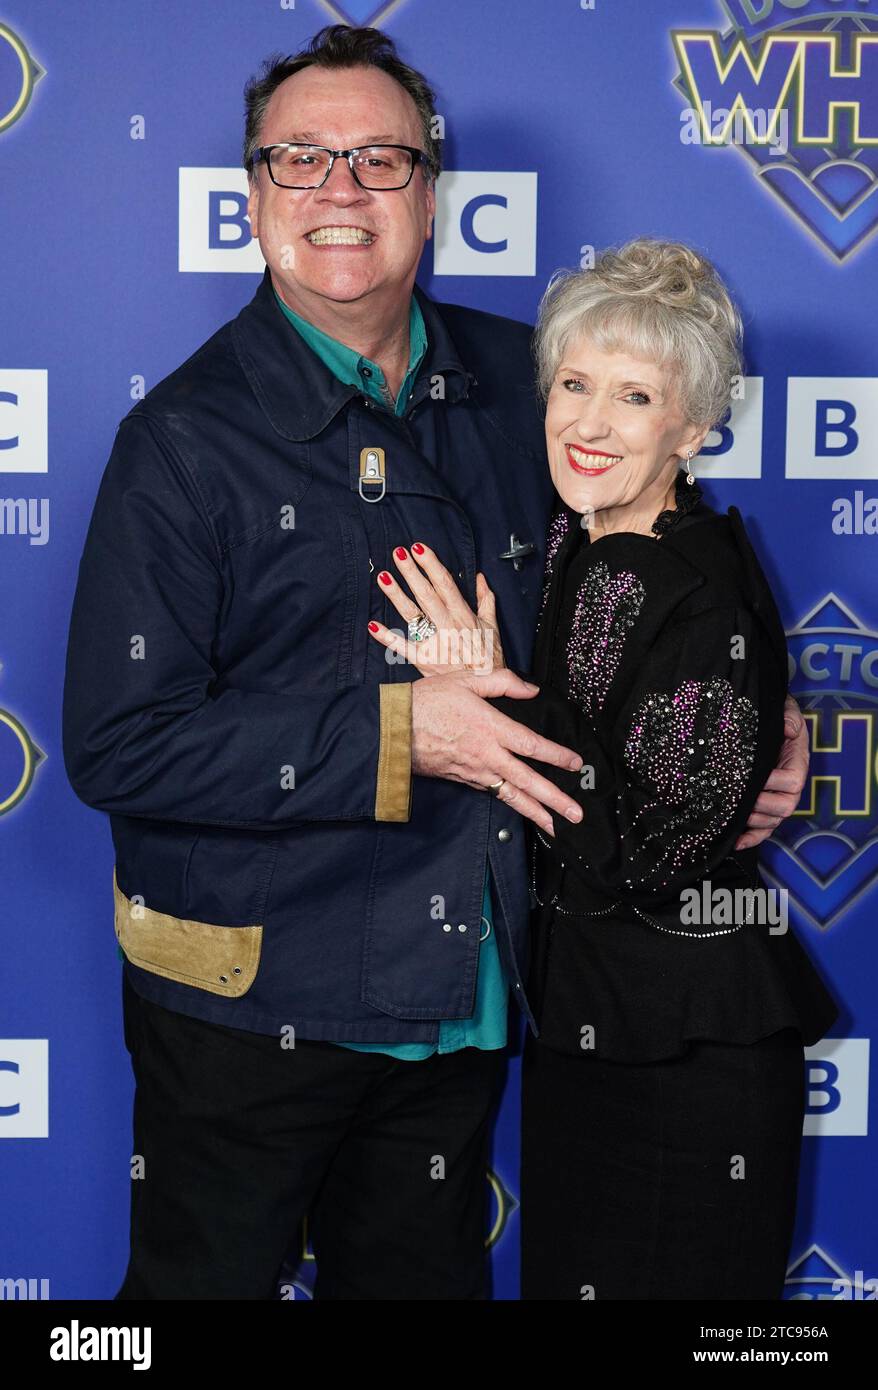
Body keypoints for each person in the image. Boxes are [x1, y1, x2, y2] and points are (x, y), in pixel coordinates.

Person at [62, 23, 809, 1301]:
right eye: (299, 160)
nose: (338, 190)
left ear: (429, 195)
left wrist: (742, 707)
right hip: (249, 1010)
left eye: (378, 159)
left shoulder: (524, 392)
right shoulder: (180, 442)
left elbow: (640, 565)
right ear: (251, 200)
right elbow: (121, 740)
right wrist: (414, 735)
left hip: (463, 992)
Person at [370, 237, 838, 1302]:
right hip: (601, 1026)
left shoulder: (672, 571)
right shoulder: (587, 538)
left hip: (683, 1051)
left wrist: (486, 684)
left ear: (694, 426)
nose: (587, 422)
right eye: (573, 384)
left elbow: (641, 847)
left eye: (633, 396)